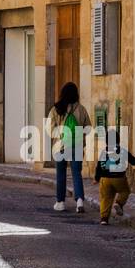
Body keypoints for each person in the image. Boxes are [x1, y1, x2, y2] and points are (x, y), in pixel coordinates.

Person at [49, 82, 92, 212]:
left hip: (60, 146)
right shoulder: (81, 109)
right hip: (77, 145)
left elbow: (50, 130)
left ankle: (60, 202)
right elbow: (88, 128)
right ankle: (79, 201)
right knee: (76, 174)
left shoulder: (56, 109)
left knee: (60, 174)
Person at [94, 127, 135, 224]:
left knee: (105, 198)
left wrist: (97, 178)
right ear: (118, 140)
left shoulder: (103, 152)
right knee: (125, 191)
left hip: (105, 179)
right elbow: (134, 161)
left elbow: (98, 167)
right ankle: (119, 203)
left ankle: (104, 219)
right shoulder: (122, 151)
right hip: (119, 178)